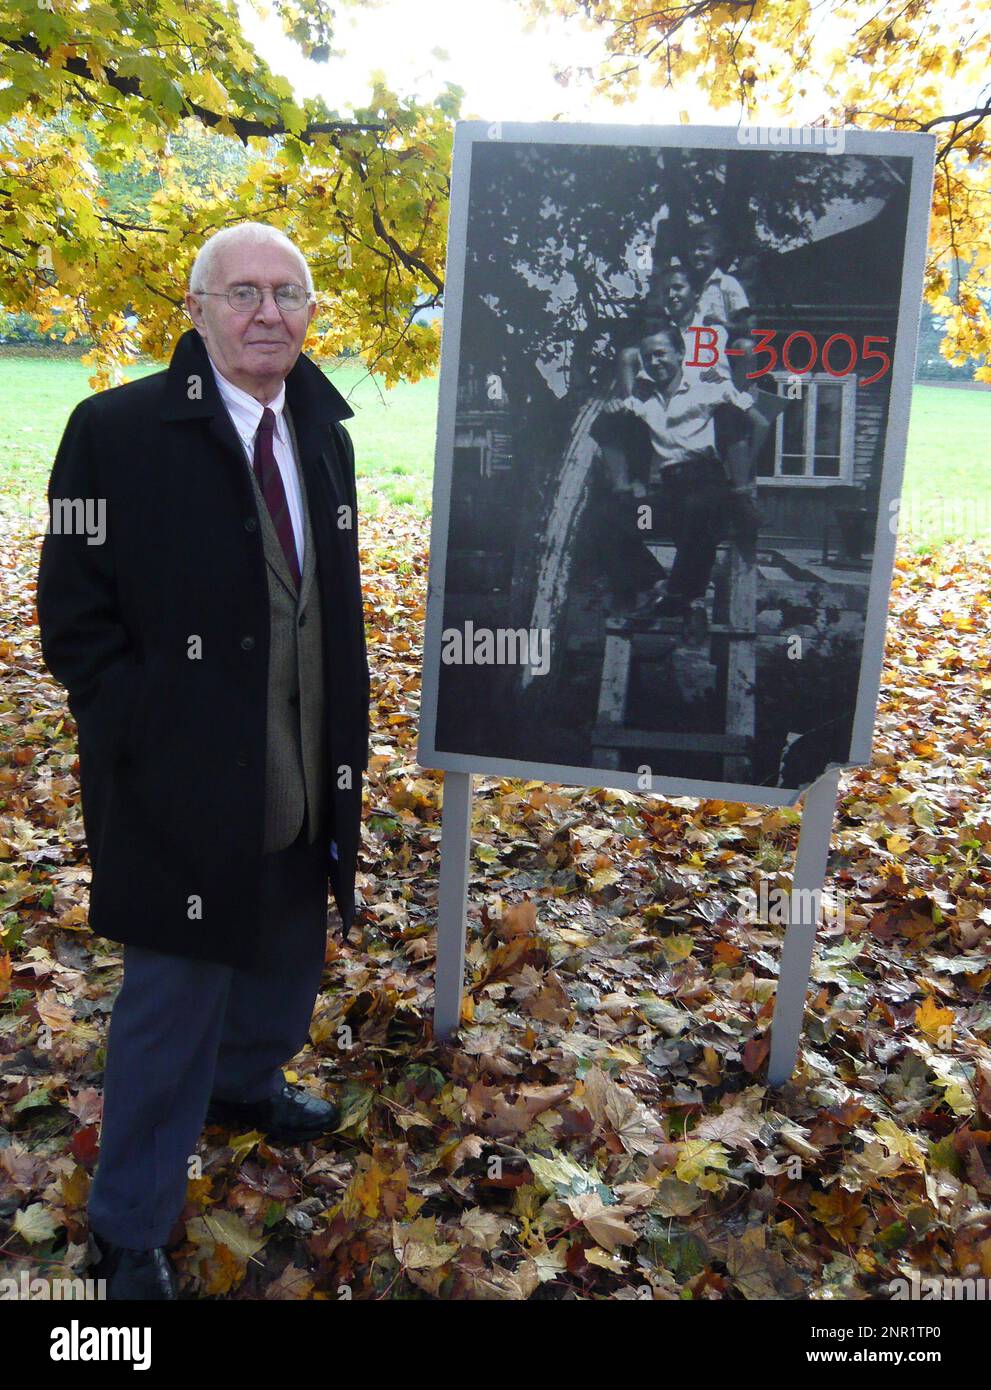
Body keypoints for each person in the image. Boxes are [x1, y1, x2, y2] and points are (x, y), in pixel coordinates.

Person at [35, 222, 371, 1299]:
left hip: (303, 752)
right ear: (196, 308)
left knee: (283, 939)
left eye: (289, 292)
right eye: (243, 294)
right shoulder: (116, 430)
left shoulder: (324, 431)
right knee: (172, 996)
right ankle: (128, 1225)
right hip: (175, 777)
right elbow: (71, 614)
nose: (268, 312)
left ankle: (246, 1083)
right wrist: (135, 726)